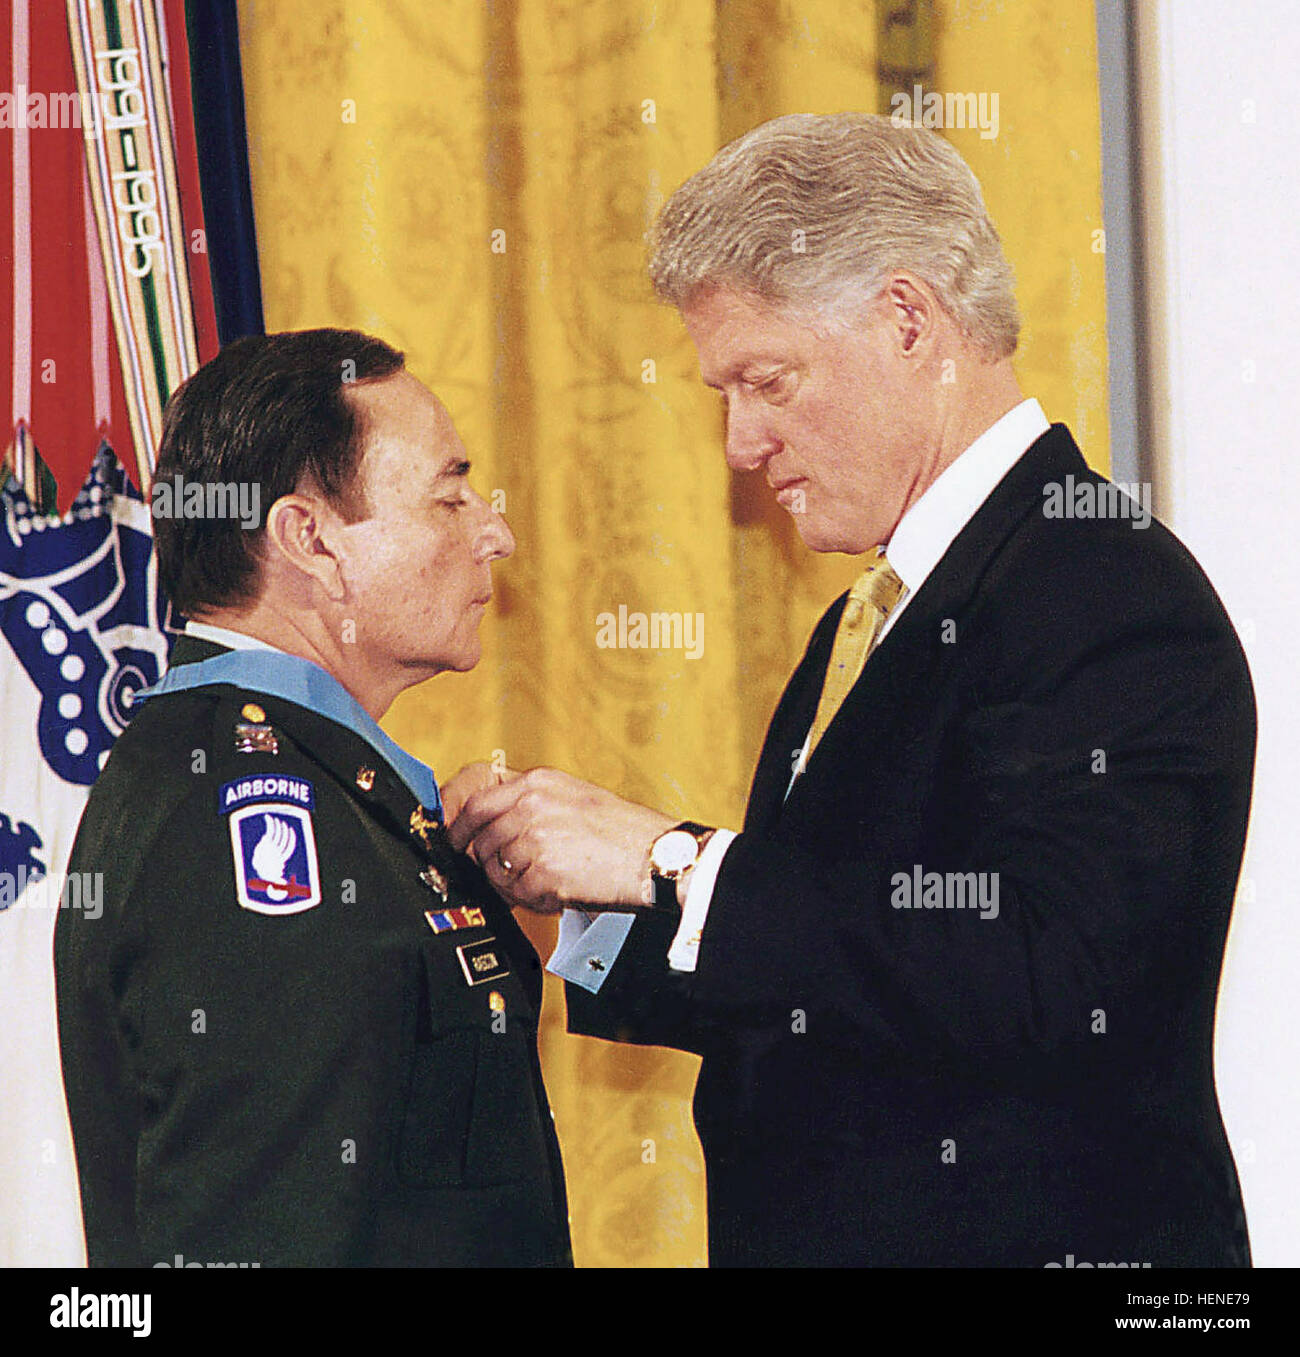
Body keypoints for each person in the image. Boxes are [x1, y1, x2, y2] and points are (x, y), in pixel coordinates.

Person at [445, 113, 1256, 1267]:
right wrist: (586, 907)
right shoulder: (868, 614)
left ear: (908, 320)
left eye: (764, 380)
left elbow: (1051, 978)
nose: (737, 441)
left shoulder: (1102, 587)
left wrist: (671, 860)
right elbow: (834, 983)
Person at [54, 329, 571, 1268]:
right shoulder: (252, 815)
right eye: (449, 494)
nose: (494, 530)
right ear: (311, 541)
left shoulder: (308, 780)